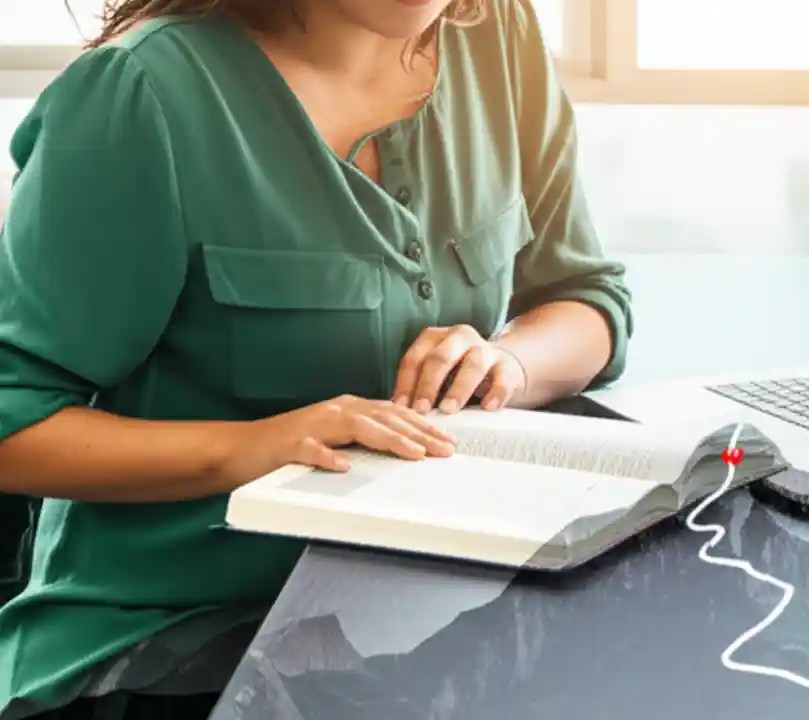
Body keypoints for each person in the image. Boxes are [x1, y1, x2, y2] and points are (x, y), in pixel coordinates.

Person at [0, 0, 632, 716]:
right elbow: (12, 423)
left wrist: (509, 363)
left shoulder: (495, 30)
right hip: (166, 640)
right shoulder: (142, 92)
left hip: (422, 619)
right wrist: (259, 446)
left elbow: (589, 302)